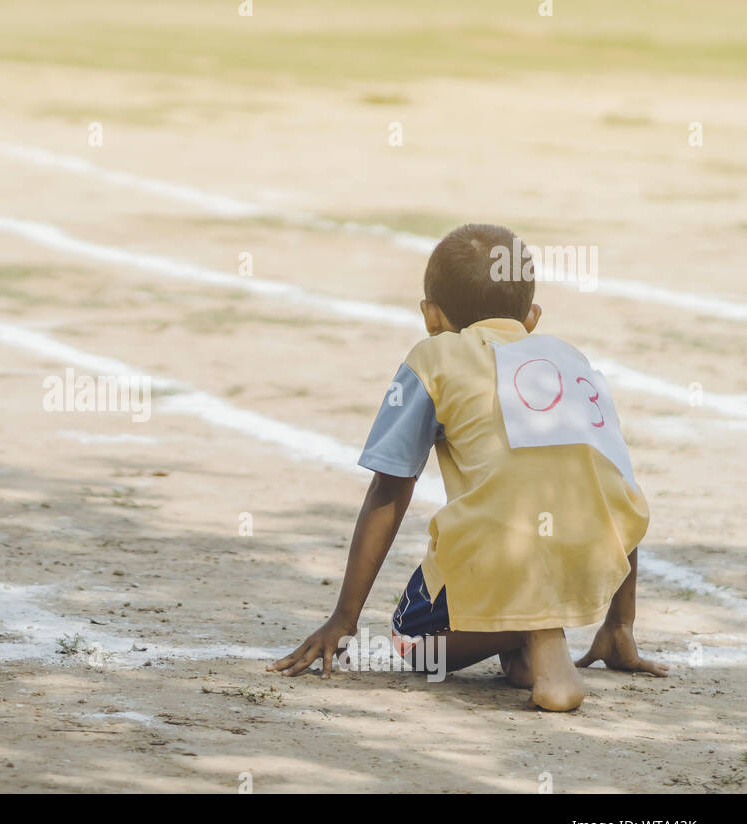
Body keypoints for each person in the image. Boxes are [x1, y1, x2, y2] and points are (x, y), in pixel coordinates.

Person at [268, 223, 668, 710]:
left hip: (511, 559)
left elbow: (389, 490)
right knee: (584, 488)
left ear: (431, 316)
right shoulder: (572, 359)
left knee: (411, 644)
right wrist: (620, 623)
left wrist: (344, 619)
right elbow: (617, 482)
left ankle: (537, 629)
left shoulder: (433, 356)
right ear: (533, 317)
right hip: (592, 564)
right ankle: (535, 638)